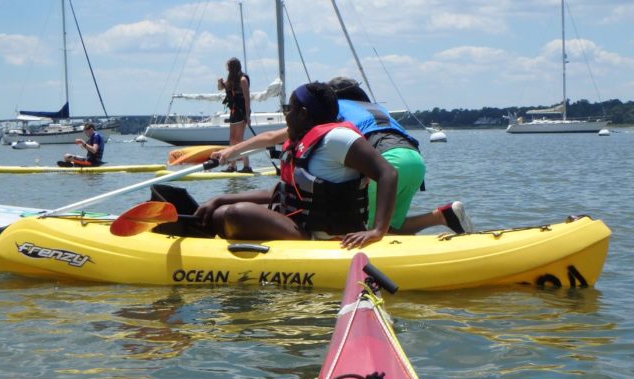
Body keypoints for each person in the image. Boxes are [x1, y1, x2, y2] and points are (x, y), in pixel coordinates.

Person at [208, 77, 474, 235]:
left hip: (386, 160)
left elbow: (272, 137)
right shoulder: (373, 106)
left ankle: (375, 242)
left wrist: (231, 150)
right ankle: (442, 217)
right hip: (414, 160)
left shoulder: (331, 117)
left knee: (375, 229)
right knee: (389, 227)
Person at [195, 82, 397, 249]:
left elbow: (387, 173)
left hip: (322, 237)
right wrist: (218, 199)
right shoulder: (303, 139)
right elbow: (280, 191)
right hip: (297, 223)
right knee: (220, 213)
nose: (285, 114)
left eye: (288, 109)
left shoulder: (338, 138)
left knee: (235, 214)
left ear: (303, 114)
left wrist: (378, 230)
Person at [217, 57, 253, 173]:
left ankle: (247, 166)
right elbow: (220, 88)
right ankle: (232, 165)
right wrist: (219, 81)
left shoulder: (242, 80)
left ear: (232, 67)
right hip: (233, 111)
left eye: (228, 66)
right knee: (232, 139)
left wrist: (247, 115)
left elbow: (247, 99)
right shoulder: (231, 80)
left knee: (239, 140)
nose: (226, 68)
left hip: (241, 112)